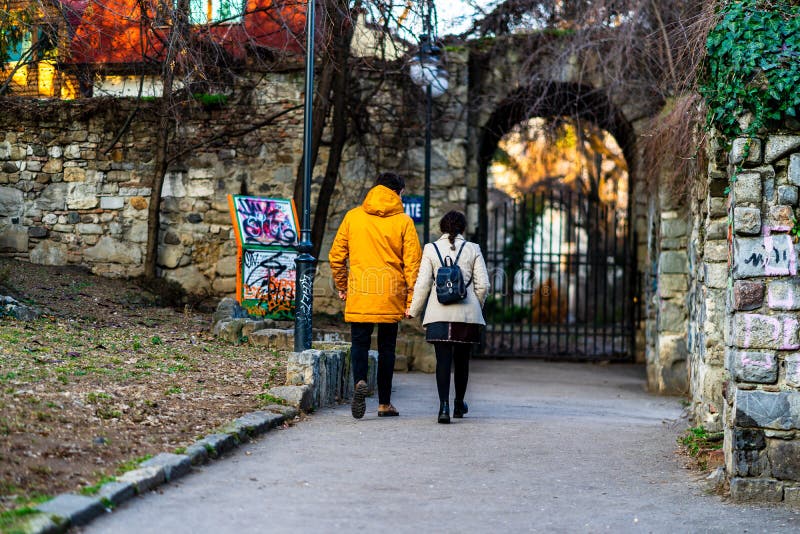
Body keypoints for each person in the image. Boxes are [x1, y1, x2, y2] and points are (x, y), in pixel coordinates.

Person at [329, 172, 422, 419]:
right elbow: (413, 266)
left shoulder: (353, 217)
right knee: (387, 348)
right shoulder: (404, 222)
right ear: (399, 192)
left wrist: (343, 286)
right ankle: (384, 403)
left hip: (360, 291)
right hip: (390, 294)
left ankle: (360, 381)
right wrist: (411, 301)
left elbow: (336, 256)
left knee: (359, 343)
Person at [407, 211, 489, 424]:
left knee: (442, 361)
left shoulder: (431, 249)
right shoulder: (473, 248)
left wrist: (413, 310)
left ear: (442, 227)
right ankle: (459, 404)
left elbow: (423, 284)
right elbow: (483, 285)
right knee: (462, 362)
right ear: (463, 228)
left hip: (438, 315)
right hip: (466, 316)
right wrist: (476, 306)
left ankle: (443, 407)